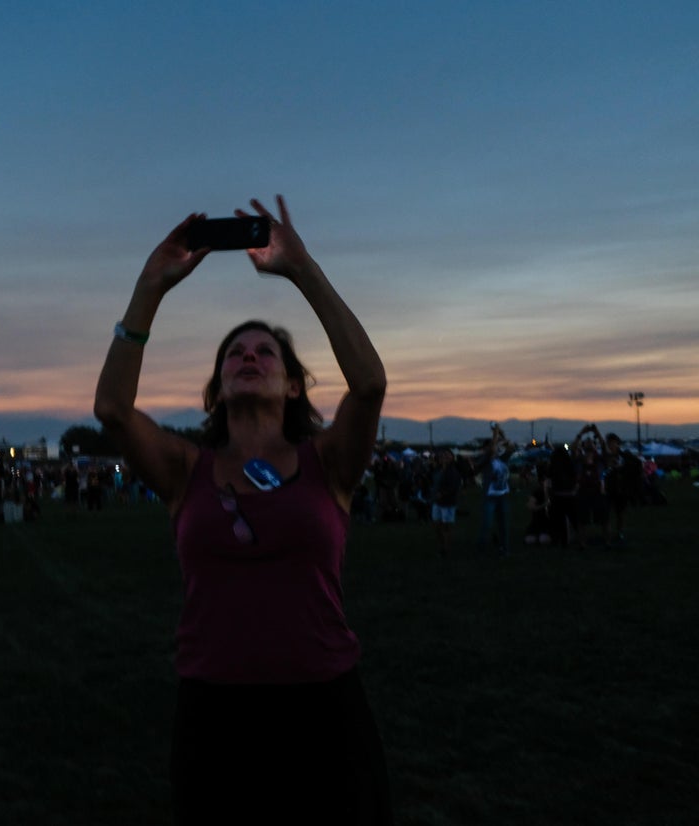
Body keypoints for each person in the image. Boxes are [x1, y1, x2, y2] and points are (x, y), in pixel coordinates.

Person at [94, 196, 392, 824]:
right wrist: (151, 284)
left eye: (265, 352)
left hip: (324, 707)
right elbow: (114, 411)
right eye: (235, 353)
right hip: (214, 710)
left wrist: (301, 269)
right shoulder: (185, 469)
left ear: (291, 385)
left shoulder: (329, 463)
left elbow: (368, 385)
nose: (249, 356)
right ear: (216, 389)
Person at [474, 424, 511, 555]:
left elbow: (509, 447)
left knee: (503, 524)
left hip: (502, 496)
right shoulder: (484, 460)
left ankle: (503, 547)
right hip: (490, 496)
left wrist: (502, 433)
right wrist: (496, 433)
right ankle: (481, 548)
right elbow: (491, 451)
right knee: (487, 523)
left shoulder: (502, 459)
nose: (494, 449)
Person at [430, 447, 462, 557]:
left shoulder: (453, 471)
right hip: (437, 502)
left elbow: (454, 487)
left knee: (446, 526)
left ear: (452, 458)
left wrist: (443, 493)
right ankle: (441, 545)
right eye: (443, 456)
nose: (444, 458)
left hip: (447, 503)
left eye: (447, 456)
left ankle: (446, 548)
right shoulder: (438, 470)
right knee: (437, 525)